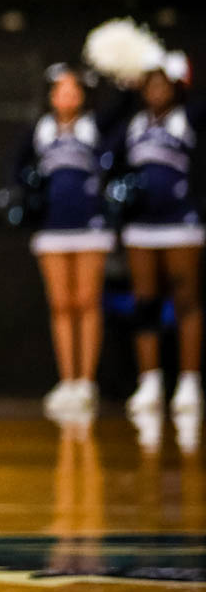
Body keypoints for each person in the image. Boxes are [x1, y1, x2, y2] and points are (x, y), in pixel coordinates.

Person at [9, 65, 120, 419]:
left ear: (84, 95)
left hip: (90, 227)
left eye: (74, 90)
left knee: (87, 302)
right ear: (51, 96)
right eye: (61, 90)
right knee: (61, 305)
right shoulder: (40, 131)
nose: (67, 96)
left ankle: (87, 381)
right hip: (52, 229)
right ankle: (67, 379)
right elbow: (14, 168)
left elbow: (125, 102)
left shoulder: (94, 128)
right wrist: (28, 194)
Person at [111, 54, 205, 423]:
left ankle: (189, 382)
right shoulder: (132, 125)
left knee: (186, 300)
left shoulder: (189, 119)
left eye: (163, 84)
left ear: (176, 88)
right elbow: (108, 156)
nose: (156, 91)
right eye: (149, 85)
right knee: (145, 303)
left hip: (181, 224)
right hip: (141, 228)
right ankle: (149, 383)